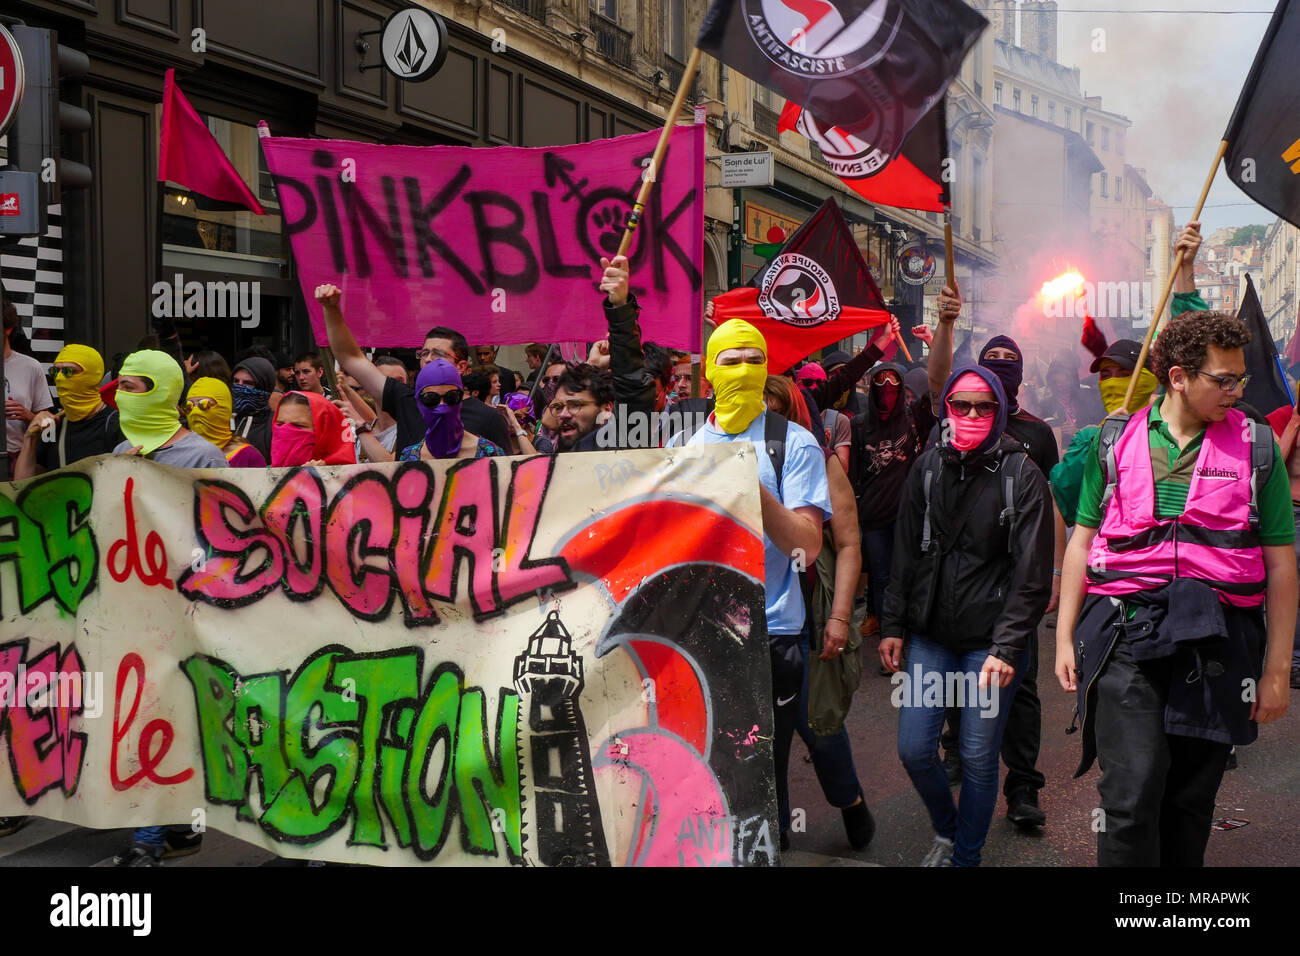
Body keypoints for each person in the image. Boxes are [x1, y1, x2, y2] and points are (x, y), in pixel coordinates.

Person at [1055, 307, 1296, 867]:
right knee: (1131, 794)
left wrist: (1276, 671)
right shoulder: (1114, 440)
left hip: (1219, 641)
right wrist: (1065, 637)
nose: (1236, 391)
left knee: (1190, 803)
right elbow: (1080, 541)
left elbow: (1282, 565)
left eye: (1241, 379)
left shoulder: (1260, 450)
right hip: (1126, 635)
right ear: (1178, 376)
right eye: (1223, 379)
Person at [668, 319, 831, 857]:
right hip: (699, 634)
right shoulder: (682, 445)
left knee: (762, 773)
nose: (743, 370)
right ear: (710, 369)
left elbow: (806, 544)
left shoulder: (795, 444)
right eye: (730, 360)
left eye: (753, 359)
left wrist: (753, 490)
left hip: (772, 633)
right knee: (704, 765)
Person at [880, 367, 1054, 867]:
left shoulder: (1023, 475)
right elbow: (905, 553)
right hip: (933, 636)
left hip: (989, 644)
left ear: (1000, 410)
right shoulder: (928, 468)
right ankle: (949, 829)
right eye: (962, 405)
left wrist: (1006, 647)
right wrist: (893, 625)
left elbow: (1032, 573)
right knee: (915, 749)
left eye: (984, 406)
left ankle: (967, 857)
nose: (972, 415)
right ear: (945, 411)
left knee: (978, 757)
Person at [934, 334, 1063, 829]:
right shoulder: (951, 426)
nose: (1001, 370)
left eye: (1010, 365)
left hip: (1015, 583)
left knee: (1020, 684)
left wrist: (1052, 572)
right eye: (992, 364)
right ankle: (956, 751)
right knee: (952, 677)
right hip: (957, 582)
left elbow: (1051, 503)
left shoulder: (1036, 433)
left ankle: (1024, 786)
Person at [763, 375, 874, 851]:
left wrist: (840, 618)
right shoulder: (721, 457)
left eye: (773, 408)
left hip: (808, 613)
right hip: (750, 616)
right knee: (761, 734)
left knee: (816, 723)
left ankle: (851, 803)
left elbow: (849, 545)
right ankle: (777, 829)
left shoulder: (815, 458)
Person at [849, 288, 958, 641]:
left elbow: (937, 384)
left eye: (894, 383)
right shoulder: (860, 425)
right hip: (875, 519)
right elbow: (853, 475)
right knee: (881, 577)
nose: (887, 390)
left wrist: (935, 337)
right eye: (879, 384)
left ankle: (909, 634)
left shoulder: (914, 419)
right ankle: (887, 633)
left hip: (911, 515)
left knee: (908, 573)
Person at [316, 285, 513, 450]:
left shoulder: (489, 418)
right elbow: (350, 357)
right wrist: (331, 310)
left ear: (461, 366)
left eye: (438, 354)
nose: (428, 359)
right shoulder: (406, 400)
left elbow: (502, 479)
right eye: (424, 353)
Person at [13, 345, 123, 480]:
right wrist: (30, 439)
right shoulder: (53, 425)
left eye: (69, 371)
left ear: (92, 376)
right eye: (55, 371)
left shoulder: (115, 424)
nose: (59, 378)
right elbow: (22, 483)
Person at [112, 350, 227, 468]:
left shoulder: (204, 457)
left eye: (128, 387)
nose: (118, 397)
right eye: (119, 387)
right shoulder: (122, 450)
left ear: (161, 394)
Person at [393, 359, 506, 461]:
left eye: (451, 397)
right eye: (431, 398)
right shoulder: (409, 459)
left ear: (461, 398)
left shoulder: (491, 454)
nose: (442, 406)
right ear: (419, 402)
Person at [4, 297, 54, 464]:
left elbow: (49, 425)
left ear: (8, 328)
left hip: (18, 457)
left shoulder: (31, 367)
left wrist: (28, 416)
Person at [185, 377, 267, 466]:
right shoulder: (181, 453)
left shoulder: (247, 456)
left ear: (224, 409)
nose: (195, 412)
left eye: (204, 404)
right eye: (189, 406)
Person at [271, 390, 358, 467]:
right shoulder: (262, 475)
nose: (285, 431)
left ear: (326, 431)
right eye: (280, 424)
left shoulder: (351, 477)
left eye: (297, 426)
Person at [230, 356, 278, 463]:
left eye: (248, 383)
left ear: (264, 387)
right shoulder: (224, 420)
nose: (240, 387)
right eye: (236, 381)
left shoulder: (274, 425)